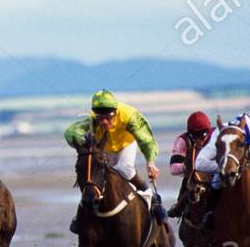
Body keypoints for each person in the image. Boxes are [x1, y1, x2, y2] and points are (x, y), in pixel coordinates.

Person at [62, 89, 164, 231]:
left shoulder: (129, 116)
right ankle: (81, 214)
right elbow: (70, 132)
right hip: (105, 148)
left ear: (115, 112)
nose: (104, 121)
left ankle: (151, 196)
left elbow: (146, 140)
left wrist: (150, 162)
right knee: (95, 175)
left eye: (108, 117)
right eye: (100, 117)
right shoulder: (92, 119)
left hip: (125, 145)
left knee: (124, 168)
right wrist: (85, 143)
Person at [167, 110, 213, 219]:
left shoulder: (216, 136)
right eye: (195, 135)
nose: (199, 139)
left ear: (209, 130)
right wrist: (188, 167)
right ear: (189, 133)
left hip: (213, 172)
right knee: (189, 182)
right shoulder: (182, 141)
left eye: (203, 134)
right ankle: (179, 206)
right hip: (193, 174)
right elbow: (173, 168)